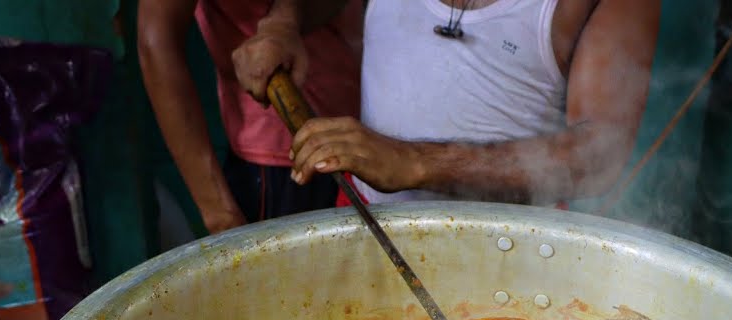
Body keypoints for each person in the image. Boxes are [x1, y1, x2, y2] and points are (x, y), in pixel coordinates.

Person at [237, 0, 661, 209]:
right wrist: (283, 22)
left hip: (509, 253)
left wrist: (416, 162)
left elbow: (599, 154)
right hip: (365, 224)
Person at [138, 0, 362, 234]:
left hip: (362, 137)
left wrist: (286, 18)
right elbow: (157, 39)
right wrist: (218, 211)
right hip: (281, 160)